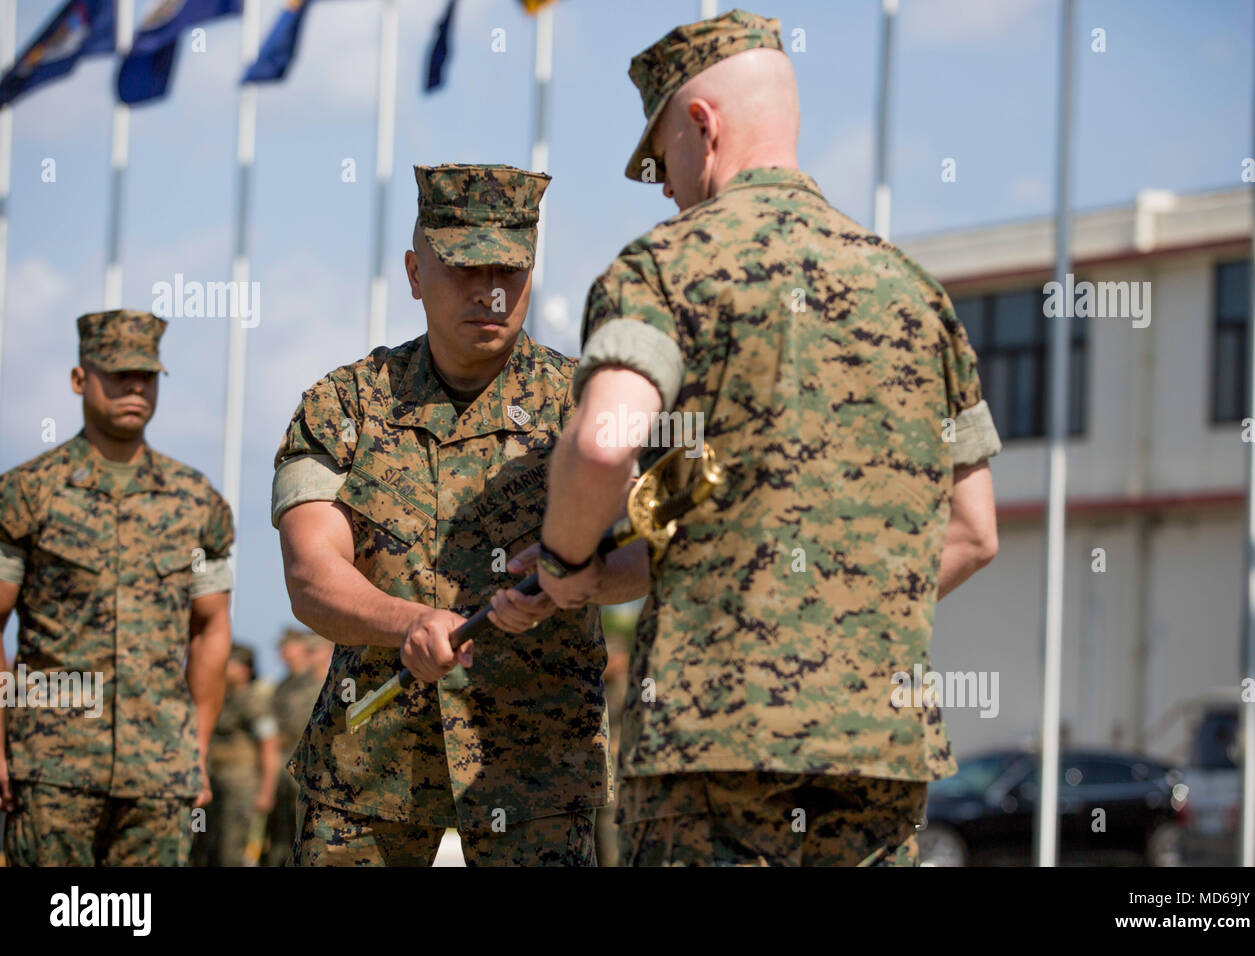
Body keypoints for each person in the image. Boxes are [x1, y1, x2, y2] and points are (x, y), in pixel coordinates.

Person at [523, 10, 1002, 866]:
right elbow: (973, 531)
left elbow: (602, 443)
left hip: (714, 740)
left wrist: (563, 567)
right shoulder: (915, 291)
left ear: (701, 127)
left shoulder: (665, 267)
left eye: (658, 159)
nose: (663, 187)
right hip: (878, 749)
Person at [272, 163, 643, 866]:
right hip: (369, 774)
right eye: (466, 271)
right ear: (415, 273)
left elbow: (650, 546)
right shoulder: (345, 405)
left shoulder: (587, 404)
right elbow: (311, 572)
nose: (492, 292)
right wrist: (406, 622)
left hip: (536, 776)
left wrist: (582, 577)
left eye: (510, 269)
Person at [0, 309, 234, 866]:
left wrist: (195, 750)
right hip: (50, 771)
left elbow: (211, 628)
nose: (135, 386)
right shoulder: (28, 493)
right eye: (118, 373)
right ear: (81, 380)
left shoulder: (195, 501)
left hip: (159, 773)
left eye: (147, 376)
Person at [191, 644, 278, 866]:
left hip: (242, 785)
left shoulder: (253, 701)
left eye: (231, 664)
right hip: (216, 780)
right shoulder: (222, 697)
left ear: (245, 669)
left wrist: (267, 791)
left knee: (233, 848)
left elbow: (269, 745)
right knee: (209, 845)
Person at [261, 628, 331, 867]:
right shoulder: (288, 686)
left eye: (314, 650)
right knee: (279, 835)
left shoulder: (331, 684)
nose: (309, 655)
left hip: (315, 767)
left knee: (307, 834)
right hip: (287, 763)